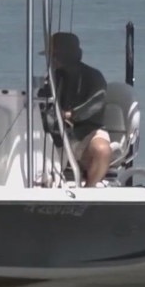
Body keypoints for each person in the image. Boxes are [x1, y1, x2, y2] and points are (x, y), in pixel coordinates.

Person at [44, 32, 109, 188]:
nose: (53, 60)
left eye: (56, 56)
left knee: (102, 150)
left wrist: (72, 114)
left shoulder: (93, 76)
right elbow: (44, 105)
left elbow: (97, 101)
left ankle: (89, 189)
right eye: (52, 56)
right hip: (57, 136)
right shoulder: (52, 78)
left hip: (87, 132)